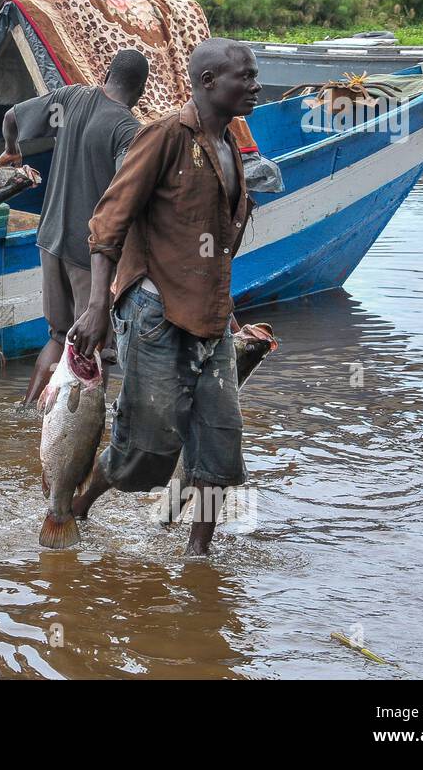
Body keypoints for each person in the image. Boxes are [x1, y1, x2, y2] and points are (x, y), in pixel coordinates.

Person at [67, 38, 260, 556]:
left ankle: (199, 554)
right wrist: (96, 308)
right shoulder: (163, 137)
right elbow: (107, 221)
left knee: (221, 445)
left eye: (254, 75)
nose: (255, 85)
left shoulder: (231, 150)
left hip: (212, 321)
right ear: (207, 82)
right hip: (156, 315)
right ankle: (75, 506)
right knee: (146, 449)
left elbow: (214, 252)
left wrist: (234, 323)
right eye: (245, 76)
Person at [0, 49, 149, 404]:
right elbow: (126, 197)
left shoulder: (68, 98)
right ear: (141, 91)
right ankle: (72, 433)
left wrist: (12, 152)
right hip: (90, 254)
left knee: (59, 336)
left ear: (107, 72)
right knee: (91, 346)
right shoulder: (128, 130)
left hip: (49, 239)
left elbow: (11, 119)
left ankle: (27, 413)